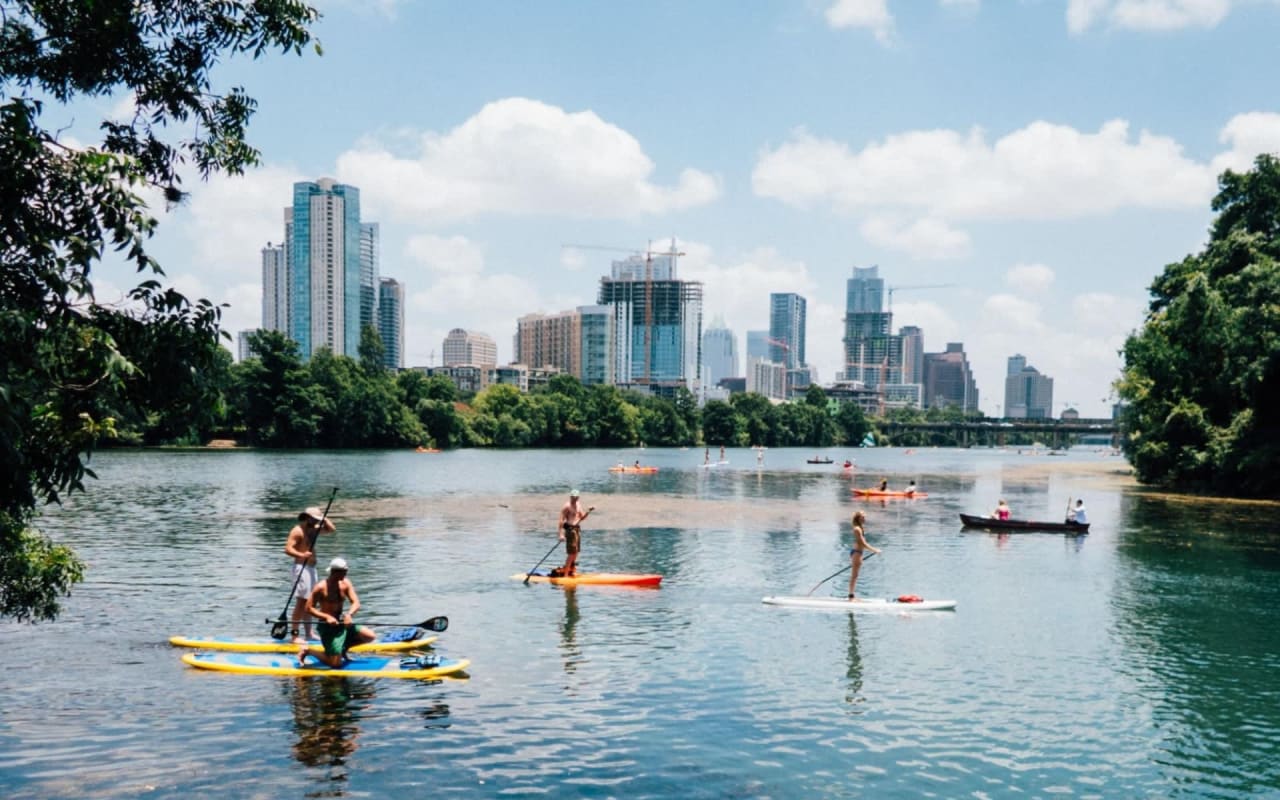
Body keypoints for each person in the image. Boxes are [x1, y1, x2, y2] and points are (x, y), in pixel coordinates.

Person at [298, 557, 375, 668]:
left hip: (342, 623)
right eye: (344, 571)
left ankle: (342, 649)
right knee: (336, 664)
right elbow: (309, 608)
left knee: (370, 636)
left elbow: (356, 602)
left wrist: (349, 615)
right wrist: (327, 617)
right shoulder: (320, 587)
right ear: (334, 572)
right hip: (327, 627)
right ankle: (308, 651)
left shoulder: (346, 583)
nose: (346, 574)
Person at [284, 505, 336, 644]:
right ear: (307, 518)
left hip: (311, 568)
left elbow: (331, 529)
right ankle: (294, 636)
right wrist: (301, 554)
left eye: (317, 519)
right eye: (313, 519)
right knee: (301, 602)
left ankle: (309, 633)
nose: (316, 521)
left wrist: (324, 518)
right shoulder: (297, 531)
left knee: (310, 602)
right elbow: (288, 549)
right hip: (301, 567)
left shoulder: (314, 529)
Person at [555, 489, 595, 577]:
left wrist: (588, 511)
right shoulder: (567, 506)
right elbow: (561, 520)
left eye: (576, 497)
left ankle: (571, 570)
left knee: (576, 552)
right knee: (571, 553)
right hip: (570, 531)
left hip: (577, 530)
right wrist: (560, 534)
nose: (574, 499)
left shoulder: (578, 505)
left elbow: (582, 518)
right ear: (570, 497)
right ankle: (565, 575)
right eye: (573, 497)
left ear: (578, 497)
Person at [847, 510, 881, 600]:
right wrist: (875, 550)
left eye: (864, 517)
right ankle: (851, 596)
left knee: (855, 575)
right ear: (858, 518)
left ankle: (852, 595)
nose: (864, 519)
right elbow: (863, 543)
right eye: (863, 517)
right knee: (854, 575)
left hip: (858, 553)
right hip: (856, 553)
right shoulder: (857, 529)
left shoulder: (860, 528)